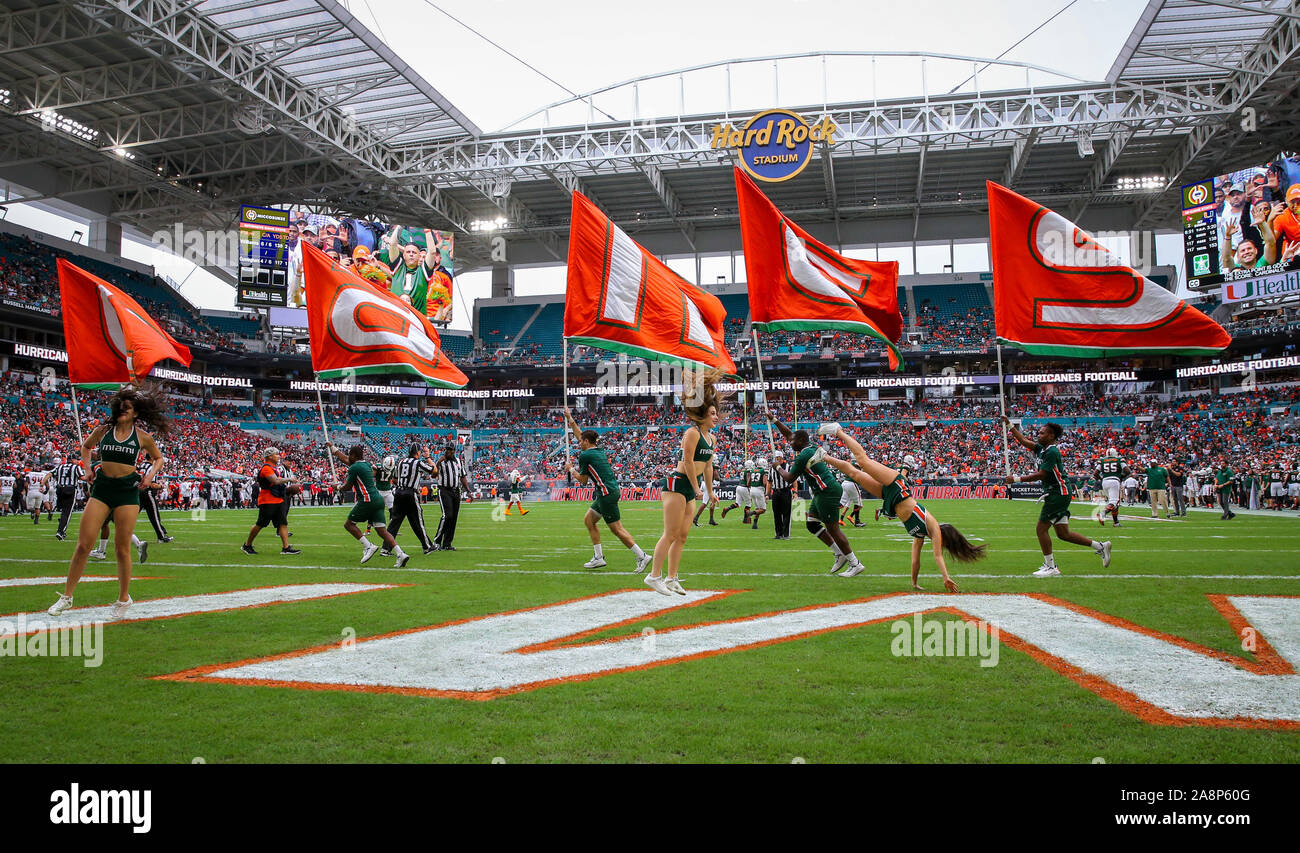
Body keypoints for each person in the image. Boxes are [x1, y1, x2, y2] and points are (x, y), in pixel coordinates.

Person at [48, 387, 169, 619]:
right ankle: (66, 597)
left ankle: (124, 599)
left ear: (135, 413)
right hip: (102, 488)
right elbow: (85, 447)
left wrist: (150, 475)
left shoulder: (143, 436)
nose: (123, 410)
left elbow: (158, 458)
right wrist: (87, 469)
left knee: (122, 547)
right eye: (120, 407)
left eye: (128, 407)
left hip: (127, 492)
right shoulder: (103, 430)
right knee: (84, 545)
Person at [820, 424, 978, 591]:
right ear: (947, 539)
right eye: (946, 545)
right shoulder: (934, 527)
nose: (941, 546)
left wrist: (914, 583)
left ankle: (824, 456)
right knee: (862, 461)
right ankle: (838, 431)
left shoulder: (920, 535)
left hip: (891, 498)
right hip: (897, 487)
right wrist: (946, 578)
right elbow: (937, 555)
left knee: (855, 474)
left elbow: (915, 561)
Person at [1001, 416, 1112, 577]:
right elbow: (1025, 441)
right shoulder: (1043, 449)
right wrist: (1009, 425)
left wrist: (1017, 479)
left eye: (1042, 433)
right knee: (1063, 534)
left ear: (1051, 436)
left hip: (1058, 492)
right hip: (1058, 492)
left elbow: (1042, 474)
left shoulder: (1052, 451)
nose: (1039, 435)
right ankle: (1100, 547)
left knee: (1041, 529)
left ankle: (1051, 566)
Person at [646, 370, 723, 596]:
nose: (716, 416)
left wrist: (710, 491)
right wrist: (697, 488)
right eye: (712, 413)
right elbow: (688, 462)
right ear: (703, 415)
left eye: (716, 413)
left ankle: (671, 578)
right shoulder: (692, 433)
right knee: (670, 533)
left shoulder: (712, 438)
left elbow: (708, 466)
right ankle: (653, 576)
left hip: (691, 486)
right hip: (678, 483)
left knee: (682, 536)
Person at [768, 416, 866, 577]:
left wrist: (777, 467)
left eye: (793, 441)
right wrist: (774, 420)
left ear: (800, 441)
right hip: (823, 491)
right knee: (812, 524)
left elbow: (789, 478)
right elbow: (789, 435)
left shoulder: (803, 456)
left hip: (826, 491)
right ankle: (839, 554)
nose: (790, 443)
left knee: (833, 529)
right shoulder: (810, 446)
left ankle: (855, 563)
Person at [563, 409, 652, 572]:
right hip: (608, 491)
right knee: (589, 520)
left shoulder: (585, 456)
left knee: (617, 529)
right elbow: (580, 434)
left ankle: (642, 556)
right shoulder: (597, 449)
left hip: (605, 493)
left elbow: (582, 481)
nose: (579, 442)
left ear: (587, 442)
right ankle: (598, 558)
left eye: (581, 441)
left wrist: (571, 469)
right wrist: (570, 418)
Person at [328, 443, 409, 567]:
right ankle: (400, 554)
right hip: (378, 499)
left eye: (350, 455)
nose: (348, 457)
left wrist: (337, 487)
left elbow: (348, 486)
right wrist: (333, 448)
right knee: (382, 530)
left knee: (349, 524)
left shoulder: (354, 467)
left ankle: (368, 546)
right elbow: (344, 458)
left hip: (367, 499)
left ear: (354, 456)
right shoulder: (366, 464)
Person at [242, 447, 300, 555]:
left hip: (277, 499)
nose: (278, 456)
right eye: (276, 454)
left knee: (283, 523)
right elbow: (275, 481)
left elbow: (278, 485)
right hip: (267, 500)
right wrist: (290, 479)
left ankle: (286, 547)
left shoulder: (275, 468)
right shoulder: (266, 468)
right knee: (260, 524)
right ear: (270, 456)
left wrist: (288, 490)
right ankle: (247, 545)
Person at [389, 444, 437, 554]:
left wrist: (403, 484)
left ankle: (385, 548)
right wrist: (428, 457)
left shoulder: (401, 462)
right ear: (418, 452)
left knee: (394, 522)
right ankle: (427, 546)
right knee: (418, 521)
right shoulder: (417, 462)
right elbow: (434, 471)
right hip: (410, 493)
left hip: (399, 492)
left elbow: (395, 479)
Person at [432, 444, 473, 551]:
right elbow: (433, 475)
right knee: (447, 516)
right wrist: (438, 463)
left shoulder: (458, 461)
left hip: (455, 491)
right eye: (447, 449)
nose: (448, 452)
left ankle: (447, 543)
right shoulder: (441, 460)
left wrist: (468, 491)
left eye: (450, 450)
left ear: (454, 451)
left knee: (453, 518)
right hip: (444, 490)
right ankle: (436, 541)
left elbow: (462, 476)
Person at [46, 454, 82, 540]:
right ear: (73, 460)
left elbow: (49, 474)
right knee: (67, 512)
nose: (78, 461)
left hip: (60, 490)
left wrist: (42, 484)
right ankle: (61, 531)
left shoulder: (60, 467)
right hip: (70, 490)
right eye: (77, 459)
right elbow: (83, 477)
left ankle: (61, 524)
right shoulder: (75, 467)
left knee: (63, 512)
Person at [1094, 447, 1128, 527]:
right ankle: (1103, 513)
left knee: (1113, 502)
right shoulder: (1119, 459)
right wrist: (1121, 476)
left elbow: (1095, 473)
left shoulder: (1102, 460)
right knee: (1114, 502)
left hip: (1105, 482)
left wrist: (1102, 479)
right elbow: (1127, 471)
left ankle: (1116, 522)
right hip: (1114, 481)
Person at [768, 449, 793, 539]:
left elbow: (794, 480)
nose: (776, 460)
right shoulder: (772, 469)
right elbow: (769, 482)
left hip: (785, 491)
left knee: (786, 513)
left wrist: (795, 492)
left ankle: (786, 534)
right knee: (776, 514)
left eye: (777, 458)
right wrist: (767, 494)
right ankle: (778, 533)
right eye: (775, 458)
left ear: (781, 458)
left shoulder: (787, 467)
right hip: (776, 492)